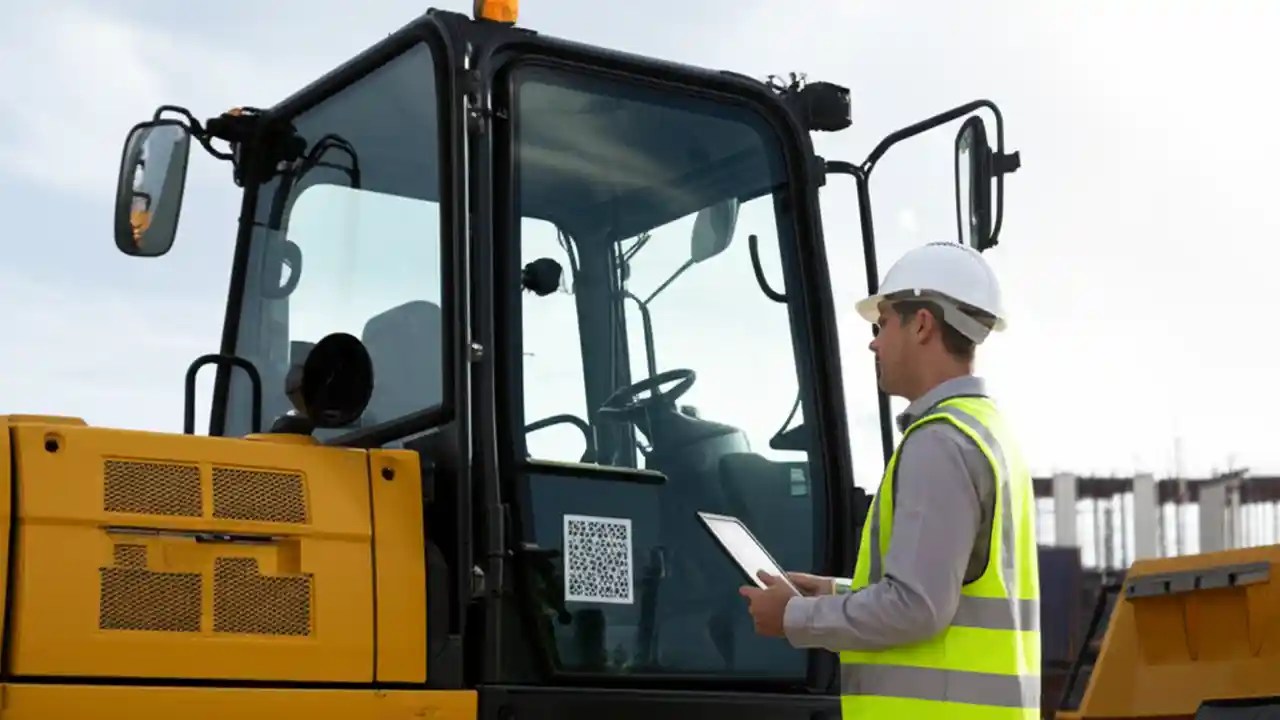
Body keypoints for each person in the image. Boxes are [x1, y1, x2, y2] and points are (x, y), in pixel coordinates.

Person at [739, 241, 1041, 719]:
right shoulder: (985, 432)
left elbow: (917, 607)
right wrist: (835, 592)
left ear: (921, 324)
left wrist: (793, 616)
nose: (873, 343)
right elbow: (945, 593)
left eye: (881, 324)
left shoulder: (939, 442)